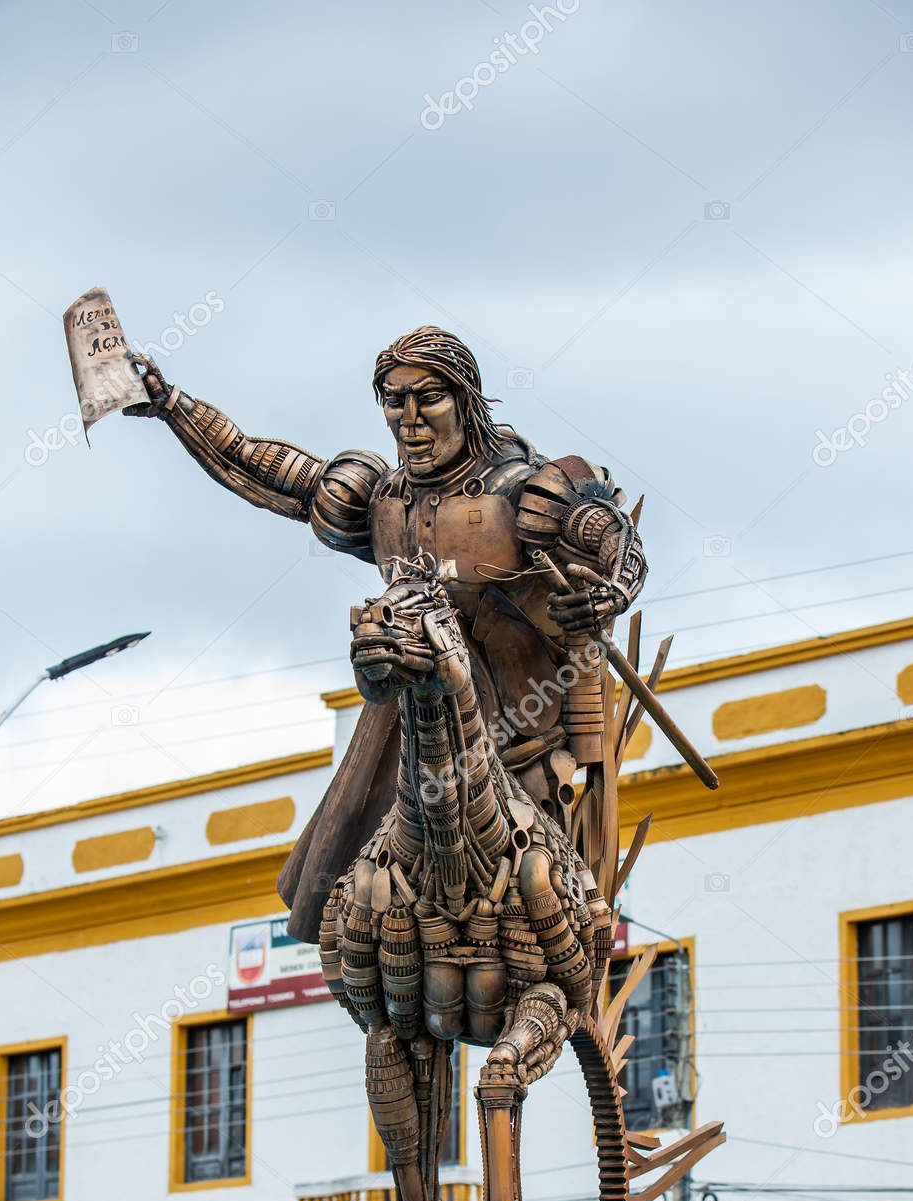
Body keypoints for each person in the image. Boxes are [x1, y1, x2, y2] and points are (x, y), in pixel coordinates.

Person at [125, 325, 647, 941]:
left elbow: (611, 537)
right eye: (393, 401)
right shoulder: (380, 498)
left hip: (521, 737)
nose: (410, 418)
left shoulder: (526, 490)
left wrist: (607, 592)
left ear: (465, 399)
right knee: (354, 884)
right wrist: (172, 405)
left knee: (548, 905)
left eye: (428, 397)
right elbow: (257, 466)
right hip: (410, 728)